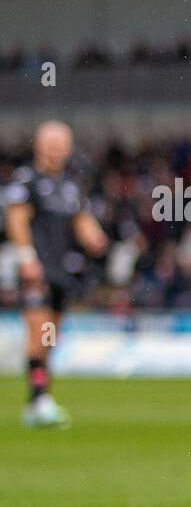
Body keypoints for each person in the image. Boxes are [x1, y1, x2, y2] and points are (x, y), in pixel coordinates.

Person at [4, 120, 108, 428]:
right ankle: (39, 400)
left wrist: (96, 238)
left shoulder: (70, 186)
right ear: (38, 146)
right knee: (39, 332)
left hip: (63, 272)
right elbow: (17, 220)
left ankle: (40, 398)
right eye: (51, 145)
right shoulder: (26, 181)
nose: (55, 152)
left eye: (61, 147)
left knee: (50, 338)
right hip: (36, 270)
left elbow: (82, 222)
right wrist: (26, 258)